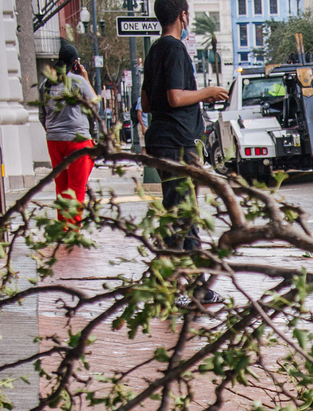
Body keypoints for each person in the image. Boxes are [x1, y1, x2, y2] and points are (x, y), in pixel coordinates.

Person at [141, 0, 228, 302]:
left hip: (162, 138)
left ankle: (189, 285)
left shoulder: (153, 51)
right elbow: (175, 97)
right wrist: (208, 92)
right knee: (182, 213)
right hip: (176, 140)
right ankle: (183, 288)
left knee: (180, 211)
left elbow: (147, 102)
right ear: (183, 16)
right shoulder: (175, 49)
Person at [39, 42, 98, 225]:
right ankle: (72, 229)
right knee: (77, 187)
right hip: (77, 140)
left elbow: (42, 115)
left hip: (54, 141)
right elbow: (95, 104)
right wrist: (86, 78)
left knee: (62, 186)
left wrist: (53, 131)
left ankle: (62, 226)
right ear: (75, 63)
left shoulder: (46, 84)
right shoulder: (78, 81)